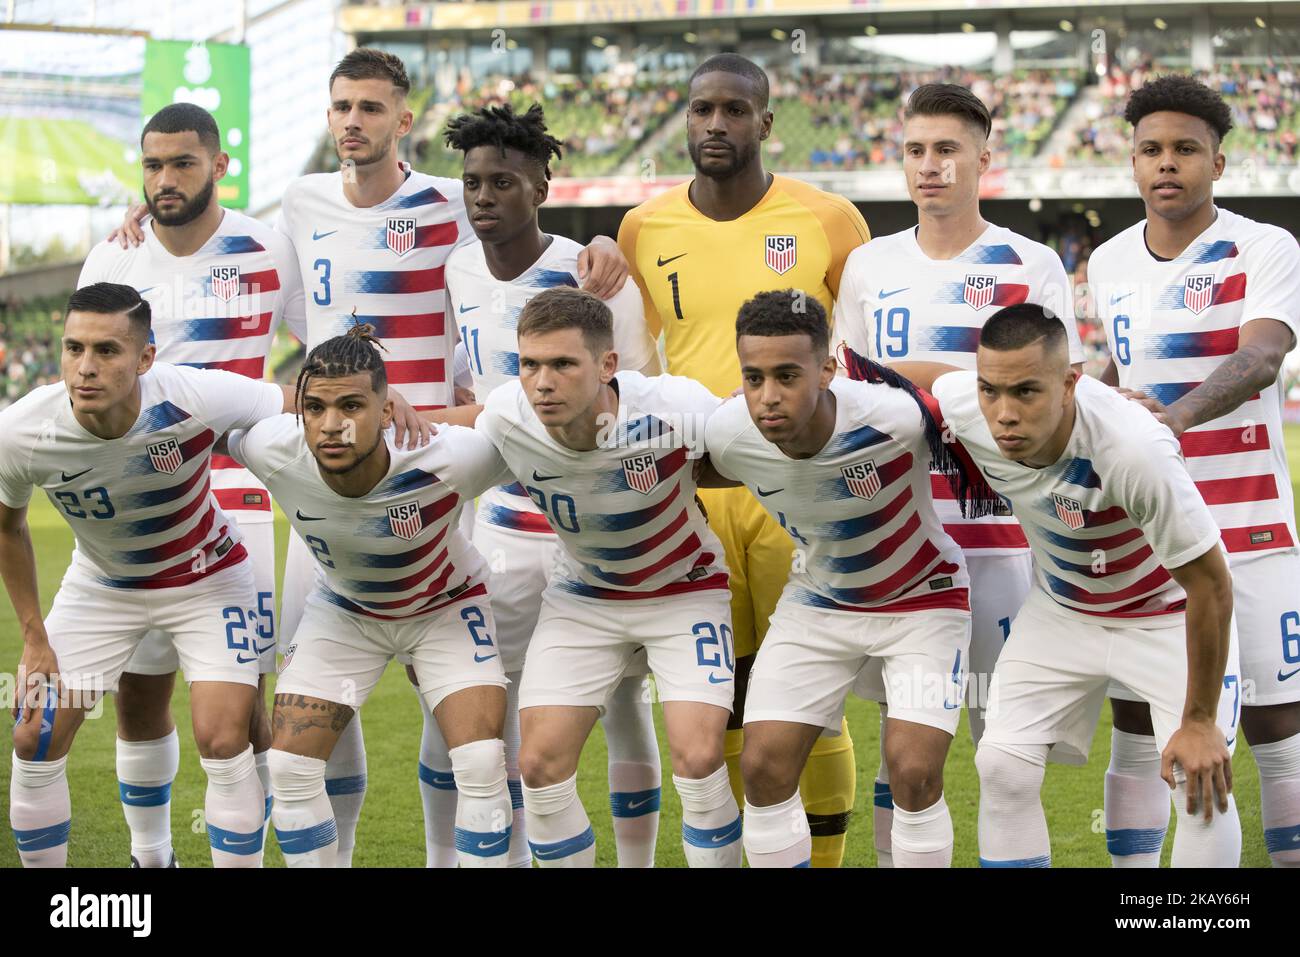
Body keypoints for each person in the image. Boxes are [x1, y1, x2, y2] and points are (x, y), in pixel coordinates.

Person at [110, 47, 629, 867]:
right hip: (328, 475)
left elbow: (521, 232)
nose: (353, 121)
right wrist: (147, 222)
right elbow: (235, 257)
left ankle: (449, 853)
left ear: (403, 119)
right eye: (342, 106)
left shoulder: (453, 204)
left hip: (435, 470)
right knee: (320, 689)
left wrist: (600, 240)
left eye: (371, 107)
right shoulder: (302, 202)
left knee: (453, 694)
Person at [865, 302, 1242, 867]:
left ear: (1070, 384)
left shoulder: (1132, 448)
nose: (1004, 414)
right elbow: (921, 377)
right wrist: (833, 375)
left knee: (1198, 781)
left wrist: (1200, 721)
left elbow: (1211, 584)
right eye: (990, 390)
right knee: (1002, 766)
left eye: (1026, 392)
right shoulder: (972, 406)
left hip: (1165, 613)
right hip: (1063, 609)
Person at [618, 52, 870, 866]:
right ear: (684, 119)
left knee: (809, 698)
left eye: (734, 110)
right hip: (695, 492)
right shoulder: (643, 228)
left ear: (766, 121)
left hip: (798, 489)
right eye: (702, 109)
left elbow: (857, 361)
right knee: (719, 692)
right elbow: (638, 365)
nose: (716, 124)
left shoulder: (829, 219)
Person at [833, 82, 1083, 864]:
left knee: (1006, 751)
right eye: (915, 150)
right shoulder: (869, 265)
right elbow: (849, 396)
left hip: (1005, 539)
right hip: (904, 543)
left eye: (947, 149)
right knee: (903, 752)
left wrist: (924, 379)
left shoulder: (1031, 264)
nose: (930, 166)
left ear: (983, 157)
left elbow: (1058, 401)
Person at [0, 282, 298, 867]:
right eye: (74, 348)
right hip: (102, 585)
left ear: (145, 359)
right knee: (34, 732)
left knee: (224, 737)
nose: (85, 367)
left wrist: (393, 406)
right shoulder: (22, 431)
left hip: (208, 578)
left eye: (107, 350)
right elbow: (7, 528)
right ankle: (152, 862)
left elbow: (300, 401)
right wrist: (34, 636)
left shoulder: (194, 394)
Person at [78, 102, 305, 867]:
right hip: (139, 506)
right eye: (153, 164)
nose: (165, 178)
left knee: (231, 718)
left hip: (237, 499)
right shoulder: (112, 259)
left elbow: (327, 341)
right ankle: (151, 860)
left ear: (219, 166)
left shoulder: (269, 245)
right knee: (139, 696)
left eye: (182, 162)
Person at [441, 102, 664, 867]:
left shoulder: (594, 274)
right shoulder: (457, 269)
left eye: (503, 182)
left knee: (624, 698)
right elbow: (476, 384)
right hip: (501, 526)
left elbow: (638, 395)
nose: (484, 196)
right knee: (499, 701)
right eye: (473, 182)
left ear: (541, 187)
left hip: (595, 528)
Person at [1089, 74, 1300, 868]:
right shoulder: (1108, 261)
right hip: (1148, 531)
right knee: (1140, 728)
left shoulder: (1264, 247)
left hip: (1251, 527)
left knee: (1279, 730)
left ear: (1219, 162)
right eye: (1151, 149)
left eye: (1185, 148)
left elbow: (1263, 355)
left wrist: (1170, 421)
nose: (1166, 162)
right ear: (1133, 162)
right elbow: (1121, 373)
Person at [470, 286, 740, 867]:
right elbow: (437, 450)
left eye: (563, 364)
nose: (542, 383)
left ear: (607, 364)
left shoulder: (675, 406)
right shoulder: (507, 416)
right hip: (583, 598)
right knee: (539, 765)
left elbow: (754, 447)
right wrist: (392, 412)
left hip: (684, 590)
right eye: (529, 365)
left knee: (698, 760)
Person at [225, 325, 513, 867]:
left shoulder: (449, 457)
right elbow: (200, 417)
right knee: (289, 768)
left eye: (352, 406)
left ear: (387, 411)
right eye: (315, 408)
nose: (332, 425)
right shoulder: (272, 449)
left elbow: (527, 432)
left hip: (445, 606)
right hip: (345, 611)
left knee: (479, 762)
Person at [703, 291, 970, 867]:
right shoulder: (727, 433)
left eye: (787, 376)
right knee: (762, 766)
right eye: (753, 377)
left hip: (924, 599)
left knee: (914, 772)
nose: (768, 396)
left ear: (827, 370)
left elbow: (977, 394)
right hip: (819, 601)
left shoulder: (895, 417)